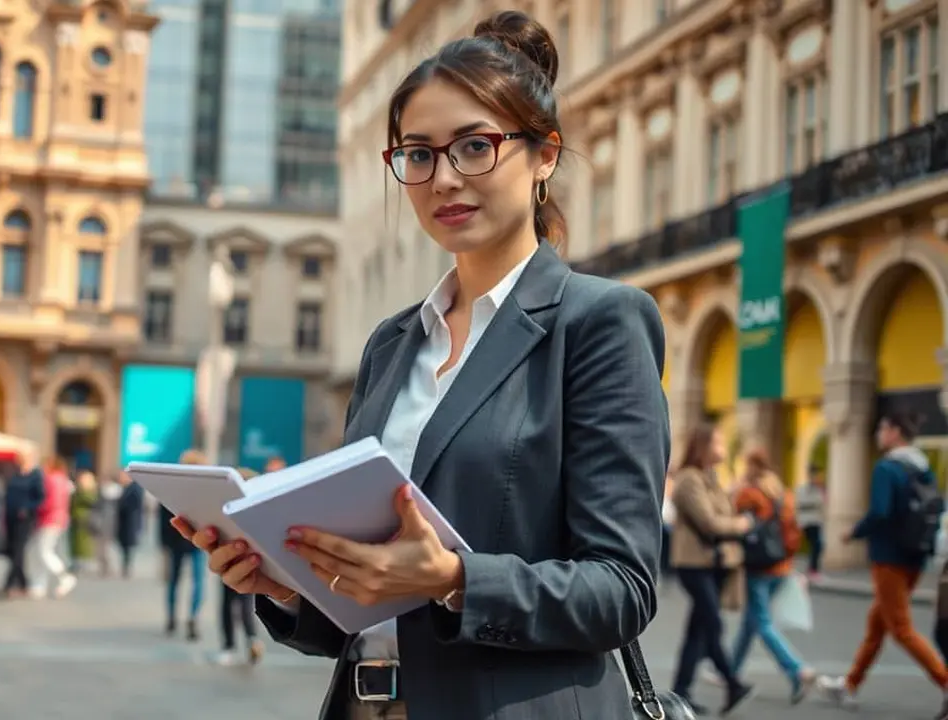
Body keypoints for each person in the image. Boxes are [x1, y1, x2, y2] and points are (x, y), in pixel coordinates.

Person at [175, 12, 669, 719]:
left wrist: (454, 579)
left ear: (545, 154)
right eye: (418, 154)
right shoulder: (392, 342)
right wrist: (282, 583)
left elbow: (622, 590)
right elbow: (360, 608)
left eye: (475, 146)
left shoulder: (598, 322)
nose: (444, 179)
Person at [821, 412, 948, 716]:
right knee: (878, 625)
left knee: (901, 628)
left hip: (889, 557)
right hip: (915, 556)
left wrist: (854, 531)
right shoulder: (922, 467)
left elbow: (880, 511)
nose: (878, 434)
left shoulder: (887, 468)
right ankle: (850, 684)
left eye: (881, 428)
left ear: (893, 432)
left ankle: (945, 681)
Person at [668, 424, 756, 714]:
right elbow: (709, 522)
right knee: (712, 623)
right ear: (702, 445)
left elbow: (720, 515)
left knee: (698, 630)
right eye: (717, 441)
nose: (722, 446)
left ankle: (680, 692)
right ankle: (732, 682)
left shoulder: (710, 477)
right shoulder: (689, 479)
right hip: (694, 564)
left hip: (711, 563)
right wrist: (741, 525)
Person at [729, 447, 816, 703]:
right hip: (781, 566)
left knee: (763, 624)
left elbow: (732, 514)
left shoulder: (750, 494)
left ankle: (797, 670)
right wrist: (788, 561)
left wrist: (737, 486)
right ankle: (730, 672)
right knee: (750, 623)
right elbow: (793, 533)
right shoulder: (782, 494)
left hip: (758, 568)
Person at [214, 467, 265, 667]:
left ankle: (229, 646)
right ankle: (251, 639)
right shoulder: (257, 506)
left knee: (228, 606)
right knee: (245, 604)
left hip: (232, 561)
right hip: (247, 561)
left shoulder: (230, 506)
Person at [163, 450, 208, 642]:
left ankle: (173, 617)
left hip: (176, 541)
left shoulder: (172, 487)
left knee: (174, 581)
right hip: (197, 542)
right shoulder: (206, 488)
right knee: (197, 582)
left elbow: (162, 517)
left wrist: (163, 543)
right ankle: (192, 617)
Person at [0, 448, 43, 599]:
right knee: (14, 551)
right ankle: (23, 583)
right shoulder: (15, 474)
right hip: (11, 517)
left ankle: (9, 584)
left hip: (25, 519)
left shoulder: (35, 476)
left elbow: (39, 497)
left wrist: (27, 508)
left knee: (19, 550)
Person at [31, 458, 76, 598]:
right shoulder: (63, 480)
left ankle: (64, 576)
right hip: (58, 519)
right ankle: (39, 585)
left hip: (49, 519)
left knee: (44, 552)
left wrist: (38, 509)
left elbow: (50, 502)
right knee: (42, 552)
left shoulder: (52, 479)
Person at [795, 464, 826, 579]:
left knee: (817, 545)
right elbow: (800, 503)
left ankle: (813, 569)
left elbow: (822, 504)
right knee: (799, 544)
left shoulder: (820, 489)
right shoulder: (802, 489)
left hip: (816, 521)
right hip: (804, 521)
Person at [115, 471, 144, 579]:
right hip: (125, 523)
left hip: (131, 522)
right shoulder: (125, 488)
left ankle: (127, 567)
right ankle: (125, 566)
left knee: (128, 547)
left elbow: (133, 505)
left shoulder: (134, 488)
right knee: (125, 546)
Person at [69, 471, 99, 573]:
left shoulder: (89, 492)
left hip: (85, 519)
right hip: (75, 519)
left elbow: (92, 502)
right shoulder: (77, 491)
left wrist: (81, 492)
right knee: (75, 541)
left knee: (84, 542)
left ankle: (84, 562)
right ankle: (76, 560)